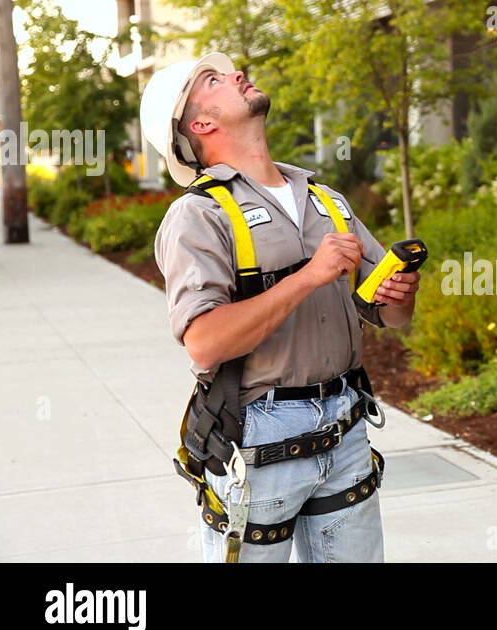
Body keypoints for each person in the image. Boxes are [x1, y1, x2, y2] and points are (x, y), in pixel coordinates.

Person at [141, 52, 420, 563]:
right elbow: (204, 343)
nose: (237, 75)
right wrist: (310, 276)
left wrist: (401, 295)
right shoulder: (197, 215)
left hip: (345, 423)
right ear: (200, 123)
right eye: (214, 79)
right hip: (258, 435)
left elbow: (390, 315)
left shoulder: (327, 200)